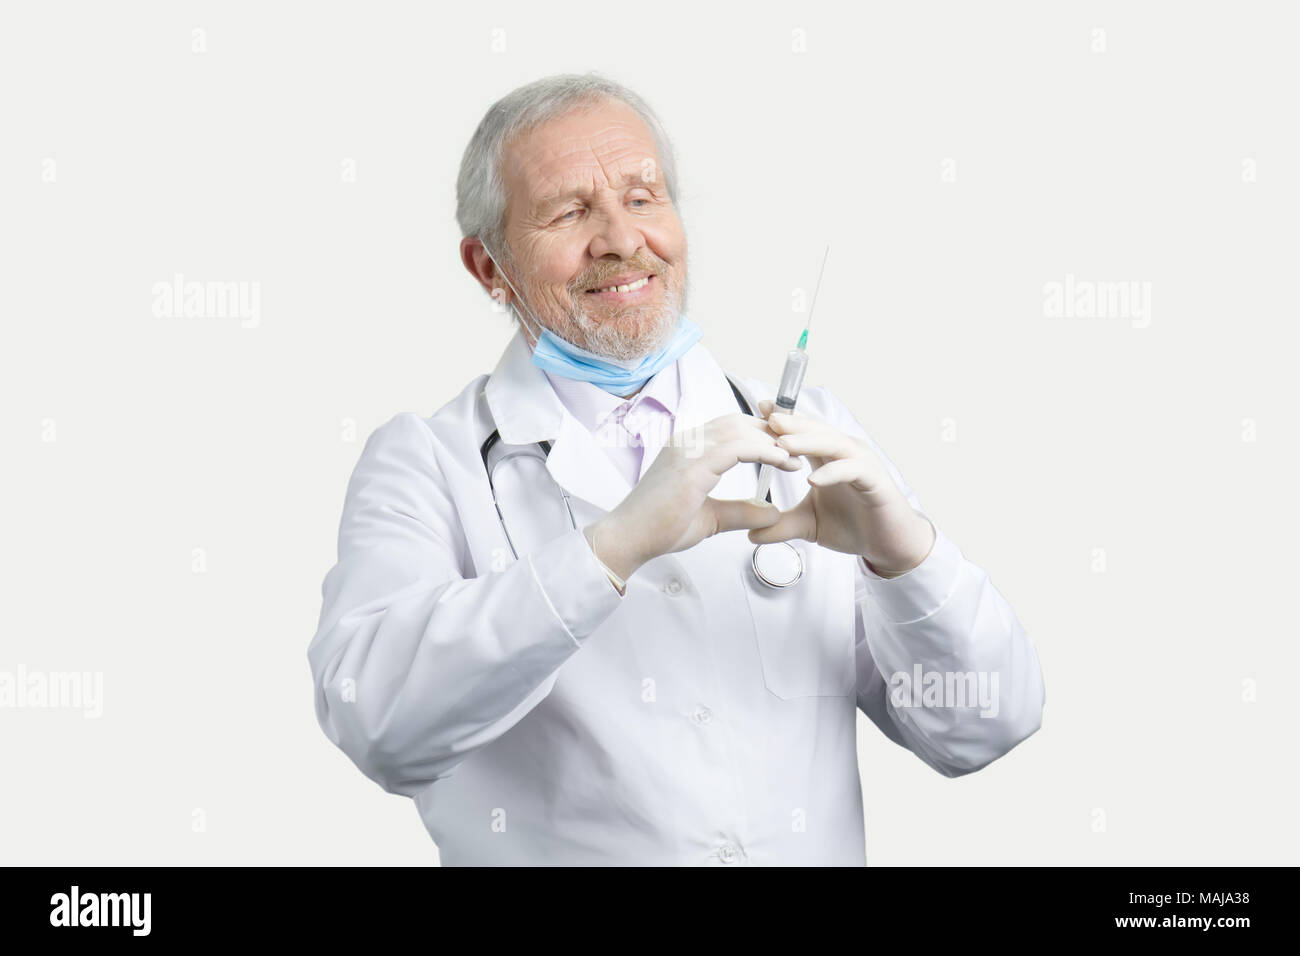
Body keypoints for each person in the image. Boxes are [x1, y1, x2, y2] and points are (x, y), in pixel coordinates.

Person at [307, 73, 1045, 866]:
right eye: (570, 211)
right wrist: (610, 550)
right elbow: (378, 725)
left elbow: (985, 727)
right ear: (489, 267)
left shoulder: (809, 438)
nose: (622, 240)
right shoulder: (427, 463)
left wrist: (910, 559)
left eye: (644, 198)